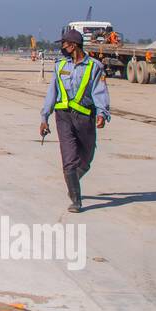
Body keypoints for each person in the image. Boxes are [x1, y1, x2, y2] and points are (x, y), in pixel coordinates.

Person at [39, 28, 111, 212]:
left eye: (64, 44)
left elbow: (99, 91)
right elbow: (51, 93)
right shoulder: (60, 66)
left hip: (85, 117)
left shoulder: (94, 67)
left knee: (86, 160)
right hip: (63, 117)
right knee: (69, 158)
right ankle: (76, 200)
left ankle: (72, 180)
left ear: (73, 45)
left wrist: (102, 113)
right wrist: (44, 117)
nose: (62, 47)